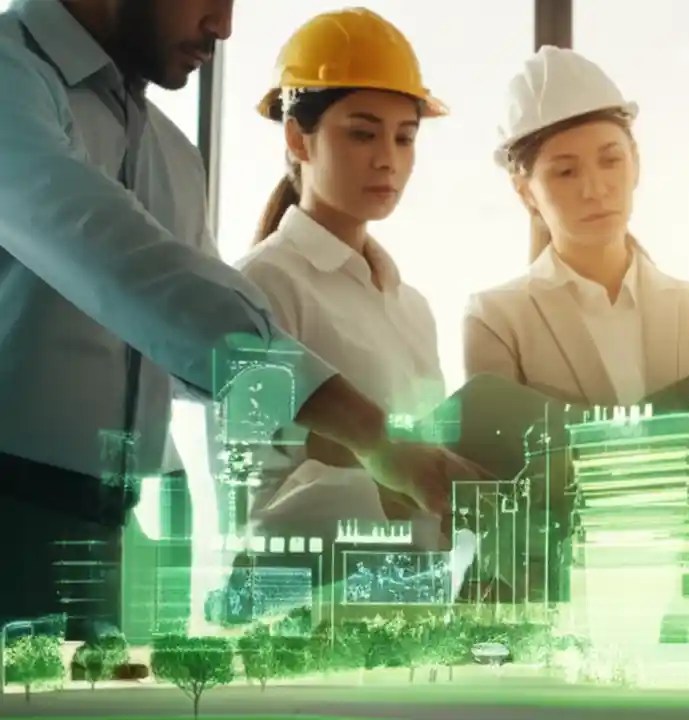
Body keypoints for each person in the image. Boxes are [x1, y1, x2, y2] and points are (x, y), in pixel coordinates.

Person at [0, 0, 460, 641]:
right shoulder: (8, 72)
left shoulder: (172, 156)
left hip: (105, 530)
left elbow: (199, 363)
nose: (224, 25)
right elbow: (125, 266)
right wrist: (370, 436)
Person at [236, 8, 483, 559]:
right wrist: (390, 483)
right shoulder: (263, 286)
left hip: (420, 604)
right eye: (363, 134)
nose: (388, 161)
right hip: (309, 615)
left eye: (405, 138)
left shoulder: (411, 306)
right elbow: (251, 508)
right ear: (299, 139)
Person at [463, 46, 689, 412]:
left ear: (635, 163)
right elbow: (496, 463)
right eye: (566, 172)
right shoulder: (497, 320)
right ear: (525, 191)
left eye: (610, 161)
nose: (595, 189)